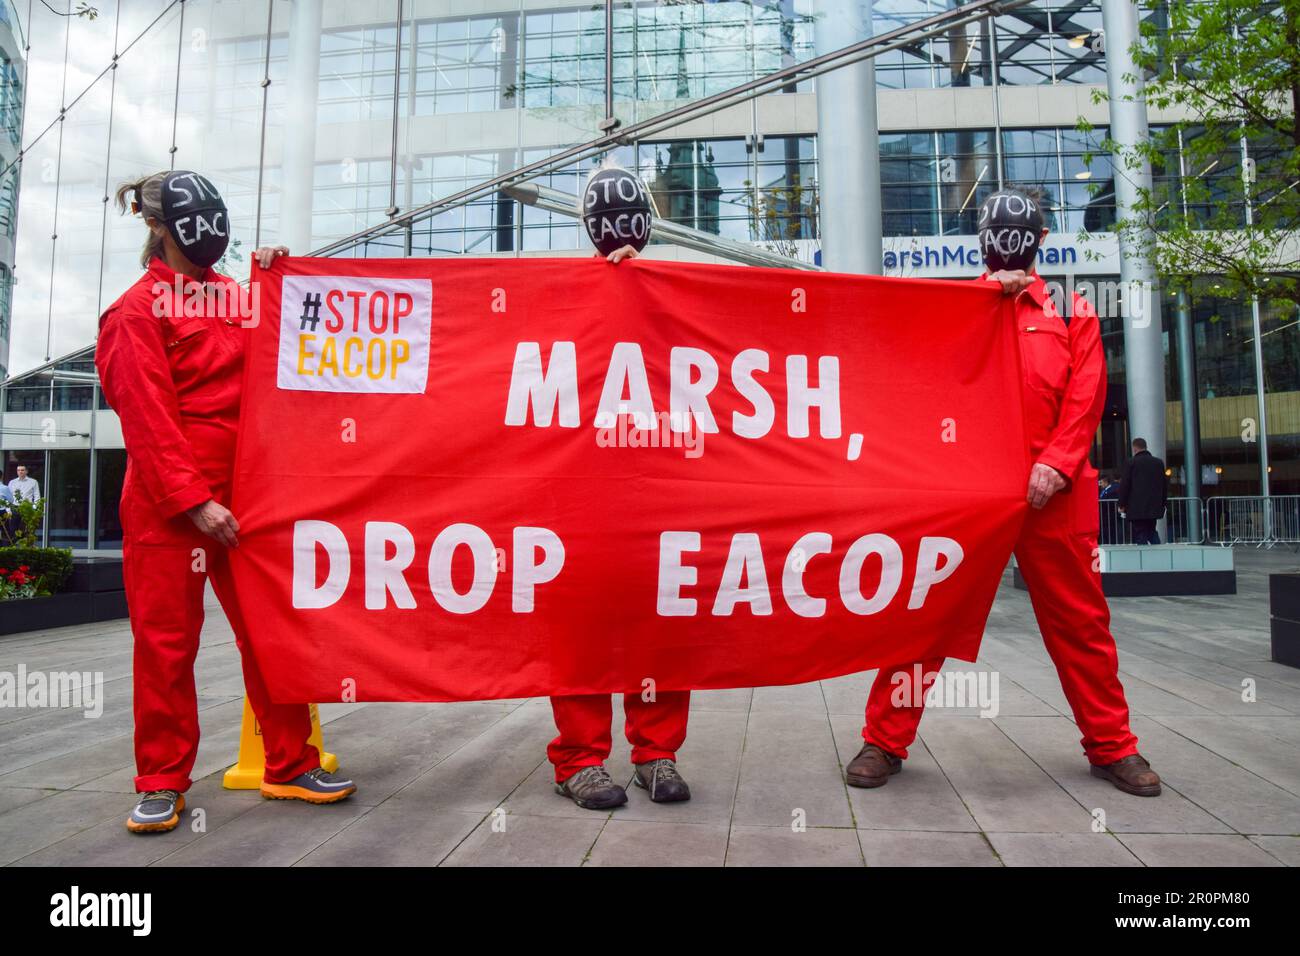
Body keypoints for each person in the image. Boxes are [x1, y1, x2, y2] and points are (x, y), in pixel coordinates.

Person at [847, 187, 1162, 798]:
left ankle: (1112, 746)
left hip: (1057, 495)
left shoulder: (1072, 310)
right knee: (925, 618)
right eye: (997, 235)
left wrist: (1059, 462)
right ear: (983, 243)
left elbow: (1087, 394)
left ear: (1040, 242)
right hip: (969, 493)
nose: (1006, 246)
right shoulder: (953, 309)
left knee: (1081, 626)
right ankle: (884, 740)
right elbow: (918, 384)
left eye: (1019, 236)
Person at [96, 170, 357, 834]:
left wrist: (278, 273)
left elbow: (295, 339)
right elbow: (148, 420)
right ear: (160, 227)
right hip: (169, 506)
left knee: (270, 635)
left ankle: (289, 762)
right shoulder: (134, 312)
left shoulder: (235, 298)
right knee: (165, 645)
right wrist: (194, 502)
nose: (211, 229)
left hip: (248, 499)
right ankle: (161, 780)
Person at [547, 233, 693, 811]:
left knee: (661, 624)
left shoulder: (669, 293)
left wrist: (648, 285)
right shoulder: (565, 294)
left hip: (659, 495)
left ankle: (655, 753)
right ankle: (578, 760)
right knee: (579, 630)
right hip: (580, 498)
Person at [1119, 438, 1168, 545]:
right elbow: (1164, 485)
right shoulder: (1158, 463)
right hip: (1154, 506)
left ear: (1135, 448)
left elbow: (1125, 485)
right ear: (1145, 447)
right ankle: (1159, 554)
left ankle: (1144, 558)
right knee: (1151, 531)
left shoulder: (1131, 462)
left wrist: (1122, 504)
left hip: (1136, 507)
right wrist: (1163, 503)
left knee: (1140, 533)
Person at [1098, 472, 1121, 544]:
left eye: (1101, 482)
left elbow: (1110, 503)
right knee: (1105, 532)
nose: (1100, 485)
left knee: (1110, 532)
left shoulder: (1112, 490)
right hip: (1104, 516)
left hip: (1110, 516)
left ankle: (1111, 543)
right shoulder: (1103, 491)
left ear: (1105, 482)